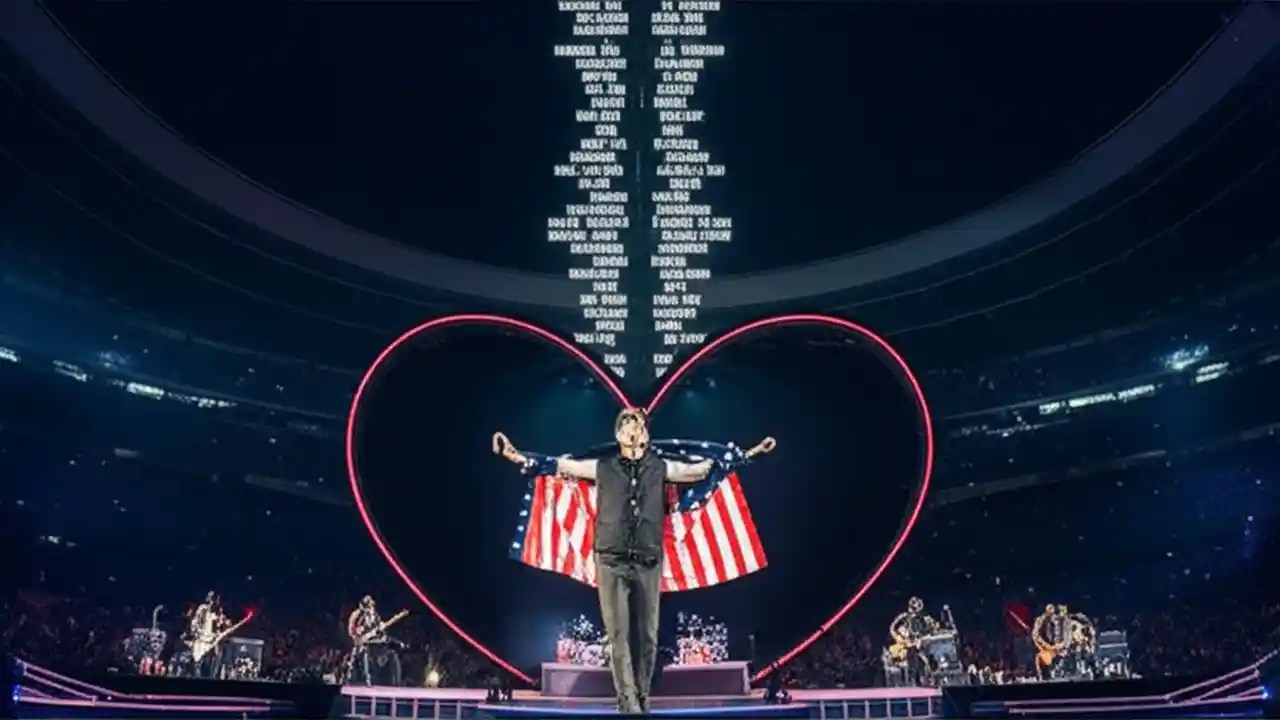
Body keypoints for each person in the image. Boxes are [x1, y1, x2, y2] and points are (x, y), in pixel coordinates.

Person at [493, 407, 775, 714]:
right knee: (619, 637)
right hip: (611, 561)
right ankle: (629, 705)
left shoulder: (660, 467)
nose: (632, 428)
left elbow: (702, 470)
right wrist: (515, 456)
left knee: (648, 638)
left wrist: (751, 453)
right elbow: (560, 465)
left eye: (637, 423)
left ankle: (640, 698)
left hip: (648, 560)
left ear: (645, 433)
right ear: (618, 435)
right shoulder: (603, 466)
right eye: (626, 423)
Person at [346, 596, 402, 686]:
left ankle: (393, 682)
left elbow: (379, 628)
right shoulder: (358, 614)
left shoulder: (375, 615)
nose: (373, 603)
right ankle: (359, 680)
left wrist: (382, 628)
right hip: (362, 642)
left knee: (390, 655)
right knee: (358, 658)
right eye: (370, 602)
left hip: (375, 643)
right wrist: (357, 637)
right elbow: (352, 629)